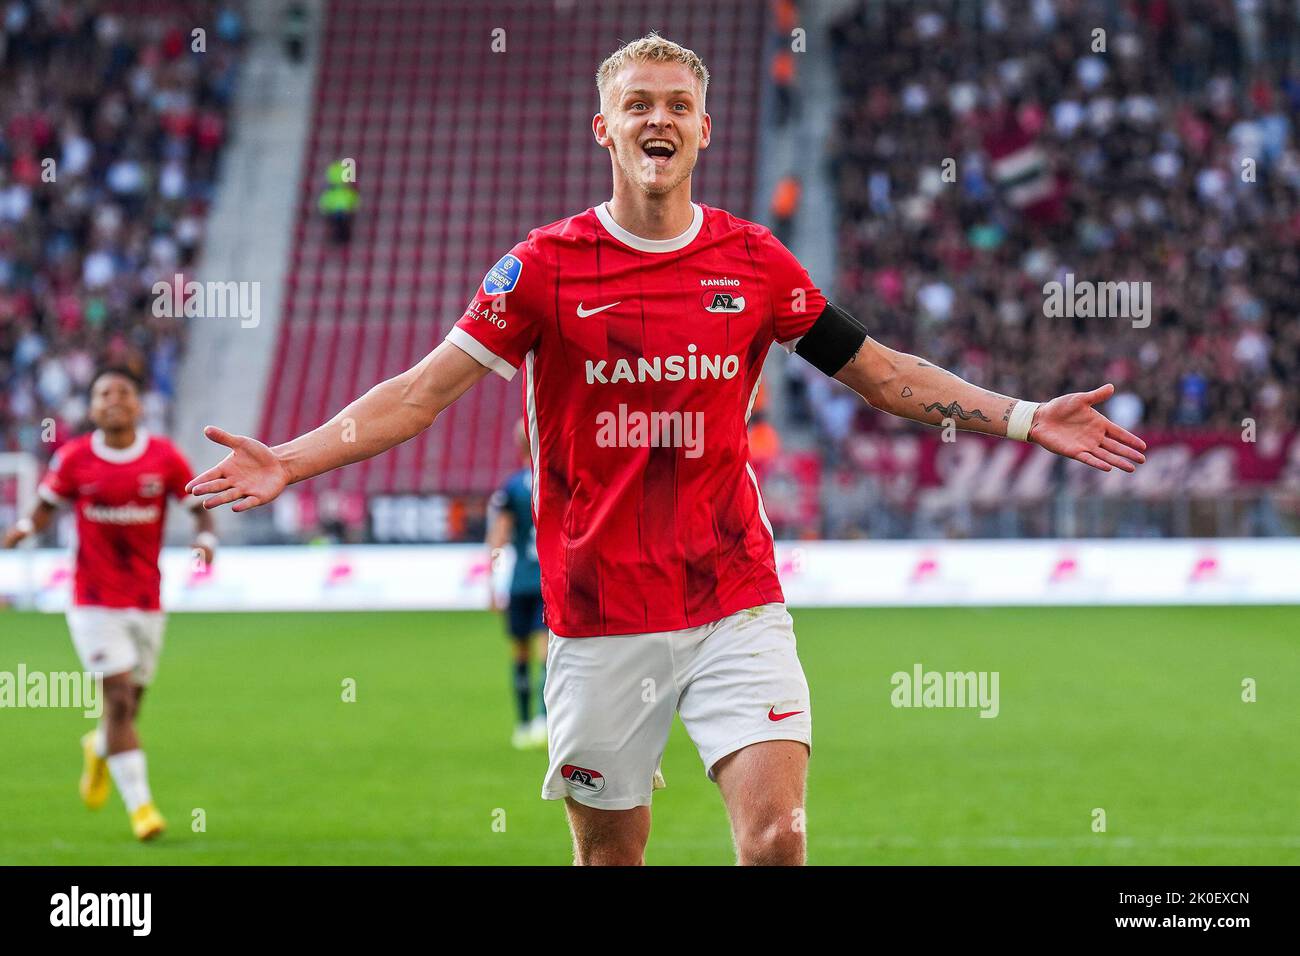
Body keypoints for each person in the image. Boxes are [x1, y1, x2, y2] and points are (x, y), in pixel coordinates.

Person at [183, 34, 1146, 865]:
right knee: (613, 855)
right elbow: (418, 396)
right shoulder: (540, 269)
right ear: (604, 129)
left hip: (733, 595)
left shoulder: (754, 262)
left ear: (704, 129)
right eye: (636, 104)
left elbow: (882, 375)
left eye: (679, 105)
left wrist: (1025, 417)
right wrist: (290, 459)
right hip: (599, 614)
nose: (660, 119)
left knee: (777, 841)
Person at [2, 368, 216, 841]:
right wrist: (21, 530)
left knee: (130, 705)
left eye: (123, 392)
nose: (113, 400)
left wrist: (205, 541)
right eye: (103, 393)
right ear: (92, 407)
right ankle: (142, 810)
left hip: (146, 599)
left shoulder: (164, 458)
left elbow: (198, 508)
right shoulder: (75, 458)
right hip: (91, 599)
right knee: (117, 697)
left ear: (139, 406)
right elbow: (46, 505)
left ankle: (98, 747)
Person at [486, 420, 548, 750]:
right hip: (547, 581)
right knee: (546, 652)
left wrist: (490, 582)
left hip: (519, 581)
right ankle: (542, 718)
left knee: (519, 653)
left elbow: (497, 538)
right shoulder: (553, 480)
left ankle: (523, 723)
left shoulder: (511, 488)